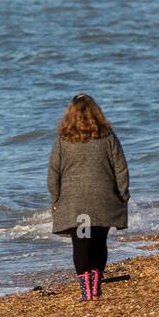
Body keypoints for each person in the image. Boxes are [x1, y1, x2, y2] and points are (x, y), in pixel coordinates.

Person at [47, 94, 130, 301]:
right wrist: (123, 193)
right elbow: (120, 168)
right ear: (96, 112)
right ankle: (96, 286)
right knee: (99, 243)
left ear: (70, 115)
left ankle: (87, 292)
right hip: (103, 200)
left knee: (82, 243)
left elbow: (53, 172)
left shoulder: (63, 140)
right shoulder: (108, 136)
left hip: (76, 204)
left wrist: (56, 199)